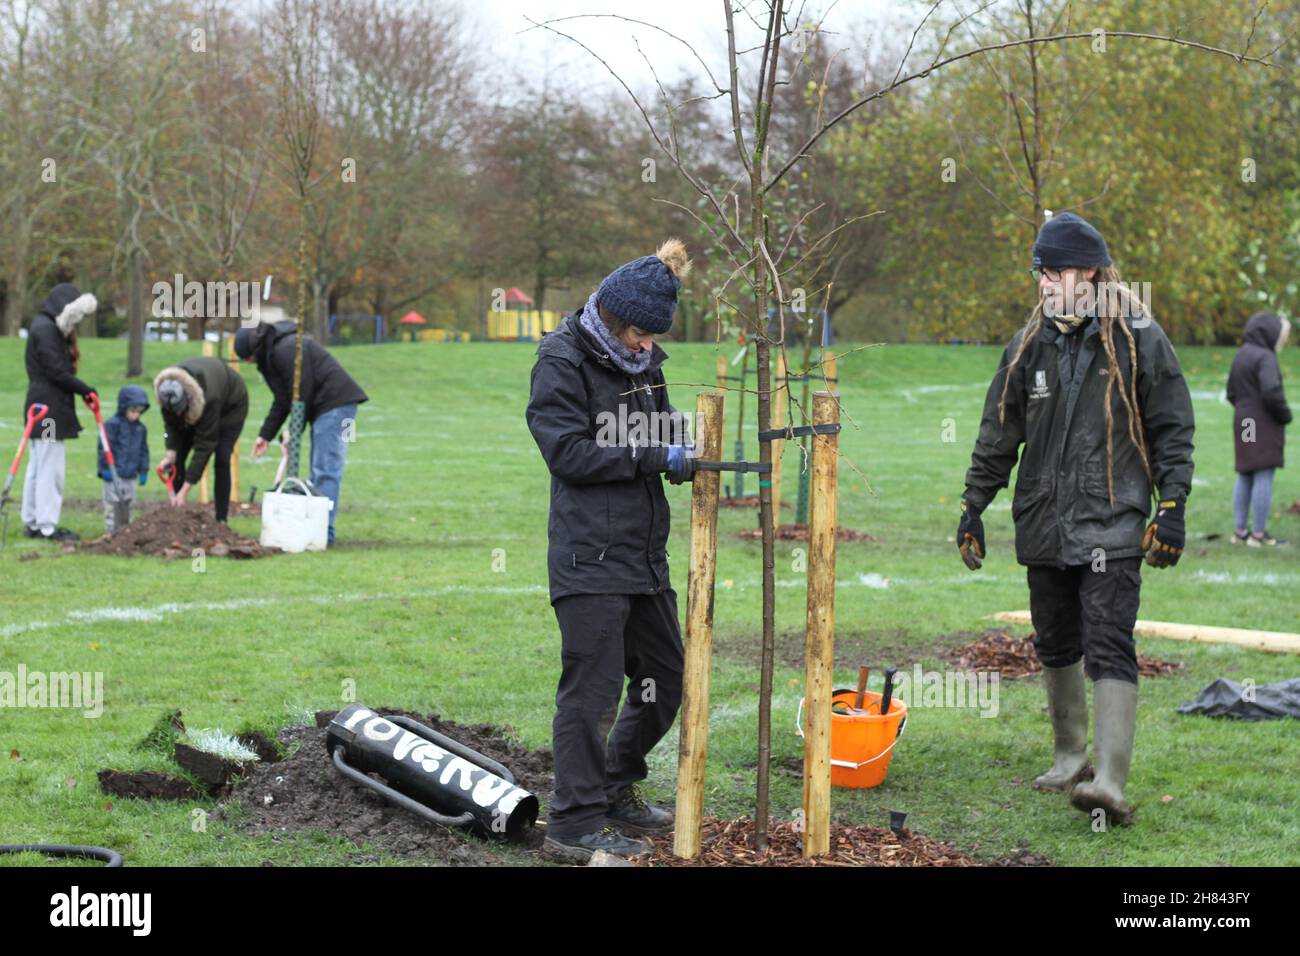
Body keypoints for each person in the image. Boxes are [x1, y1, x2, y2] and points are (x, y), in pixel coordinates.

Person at [958, 212, 1194, 827]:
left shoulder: (1138, 336)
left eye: (1055, 269)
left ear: (1088, 271)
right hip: (1043, 521)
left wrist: (1172, 507)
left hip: (1113, 521)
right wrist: (972, 506)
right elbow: (998, 433)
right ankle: (1070, 757)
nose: (1043, 282)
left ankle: (1111, 781)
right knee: (1055, 639)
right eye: (1040, 270)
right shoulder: (1027, 344)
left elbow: (1173, 426)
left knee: (1110, 639)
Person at [525, 238, 697, 862]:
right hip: (588, 558)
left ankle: (615, 782)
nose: (647, 349)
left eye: (652, 340)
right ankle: (572, 824)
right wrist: (656, 456)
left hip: (644, 556)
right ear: (609, 318)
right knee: (591, 694)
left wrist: (687, 446)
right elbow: (566, 452)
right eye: (638, 337)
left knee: (665, 677)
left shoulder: (641, 360)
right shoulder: (561, 360)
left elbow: (662, 429)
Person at [233, 318, 368, 546]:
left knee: (326, 469)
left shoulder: (287, 350)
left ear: (252, 351)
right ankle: (317, 529)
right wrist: (265, 435)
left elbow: (302, 392)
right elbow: (283, 399)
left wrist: (292, 431)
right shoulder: (272, 355)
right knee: (323, 470)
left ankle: (324, 534)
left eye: (246, 358)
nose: (248, 362)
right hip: (334, 407)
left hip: (339, 407)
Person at [22, 282, 100, 542]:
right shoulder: (45, 330)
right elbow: (56, 370)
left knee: (39, 463)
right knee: (49, 466)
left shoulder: (43, 327)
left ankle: (33, 520)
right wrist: (85, 389)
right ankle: (46, 525)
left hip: (44, 406)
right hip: (49, 410)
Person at [153, 356, 249, 523]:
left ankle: (221, 519)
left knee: (222, 458)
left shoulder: (210, 398)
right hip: (200, 406)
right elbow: (170, 427)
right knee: (179, 455)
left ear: (188, 398)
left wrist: (185, 490)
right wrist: (170, 454)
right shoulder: (165, 395)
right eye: (174, 411)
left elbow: (204, 448)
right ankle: (178, 513)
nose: (177, 415)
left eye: (180, 410)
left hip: (230, 407)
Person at [1226, 311, 1291, 546]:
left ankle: (1240, 531)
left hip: (1244, 420)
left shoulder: (1241, 354)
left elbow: (1231, 392)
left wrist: (1246, 411)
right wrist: (1285, 415)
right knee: (1263, 471)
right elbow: (1271, 392)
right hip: (1260, 422)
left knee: (1245, 471)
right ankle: (1258, 534)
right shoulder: (1265, 357)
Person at [98, 385, 151, 534]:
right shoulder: (112, 425)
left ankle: (127, 530)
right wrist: (105, 470)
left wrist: (143, 470)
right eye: (132, 411)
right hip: (114, 475)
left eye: (139, 412)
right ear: (124, 408)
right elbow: (104, 448)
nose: (135, 415)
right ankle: (110, 530)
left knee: (130, 503)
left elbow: (143, 451)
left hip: (131, 475)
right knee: (112, 503)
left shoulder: (141, 429)